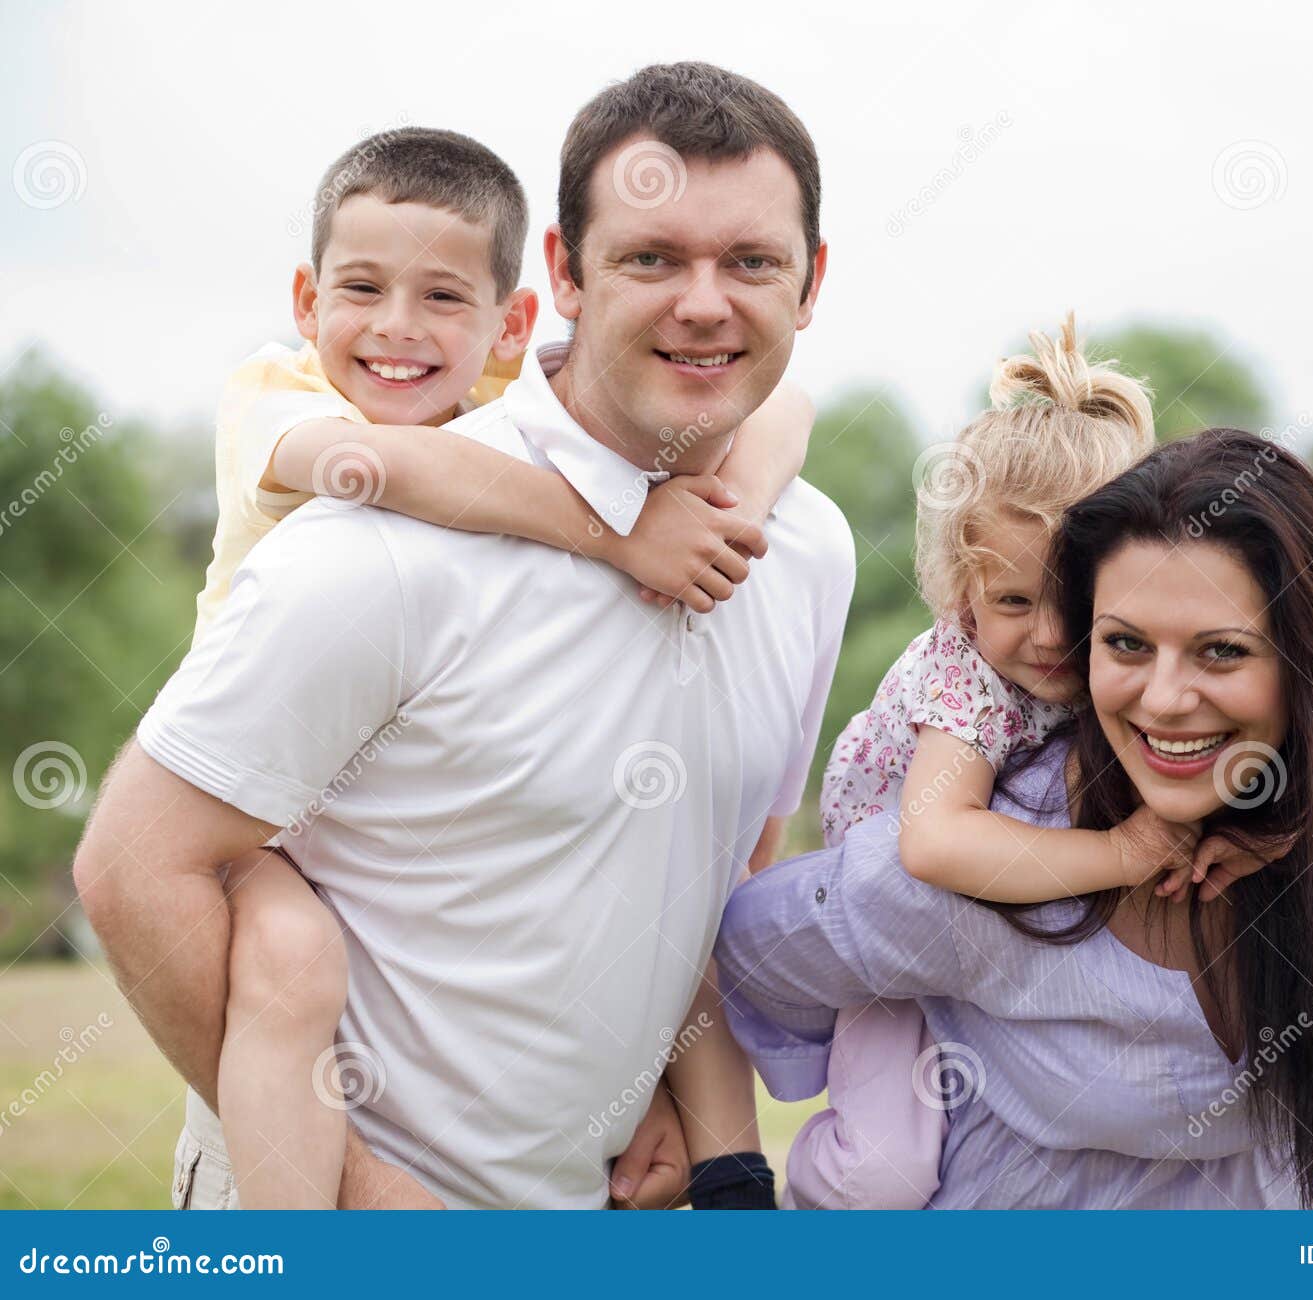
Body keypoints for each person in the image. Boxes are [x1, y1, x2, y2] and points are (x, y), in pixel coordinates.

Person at [74, 62, 851, 1210]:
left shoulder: (807, 548)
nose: (703, 303)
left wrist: (672, 1087)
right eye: (650, 258)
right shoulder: (372, 547)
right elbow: (133, 865)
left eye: (750, 262)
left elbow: (720, 861)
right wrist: (358, 1186)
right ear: (565, 273)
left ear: (811, 280)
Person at [716, 428, 1313, 1208]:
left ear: (1310, 653)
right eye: (1126, 643)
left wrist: (1303, 819)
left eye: (1222, 650)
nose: (1165, 699)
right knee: (876, 1177)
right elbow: (744, 946)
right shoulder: (985, 862)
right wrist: (722, 1163)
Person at [788, 317, 1236, 1209]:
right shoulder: (966, 674)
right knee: (883, 1173)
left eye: (1078, 598)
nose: (1051, 634)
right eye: (1014, 600)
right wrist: (1124, 853)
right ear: (963, 591)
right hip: (891, 942)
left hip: (1000, 948)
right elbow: (935, 844)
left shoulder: (1136, 663)